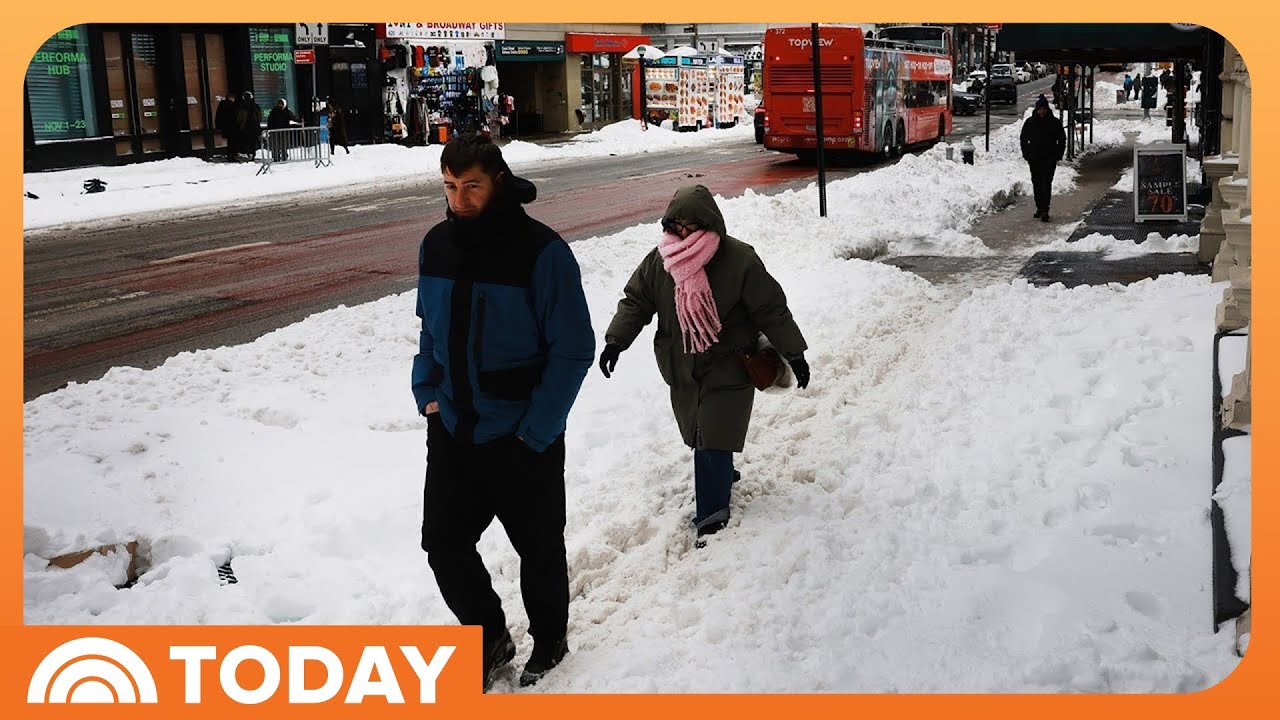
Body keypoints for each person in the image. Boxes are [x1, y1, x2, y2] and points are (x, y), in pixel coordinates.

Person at [412, 133, 594, 692]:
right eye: (449, 187)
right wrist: (427, 392)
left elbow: (573, 350)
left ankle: (550, 639)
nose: (459, 199)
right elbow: (429, 331)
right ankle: (489, 636)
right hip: (455, 430)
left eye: (471, 186)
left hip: (521, 434)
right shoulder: (436, 246)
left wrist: (537, 432)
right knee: (443, 544)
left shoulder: (542, 252)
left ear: (499, 182)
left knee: (538, 549)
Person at [599, 185, 810, 546]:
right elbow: (636, 301)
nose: (683, 233)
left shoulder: (739, 259)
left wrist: (794, 353)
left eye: (691, 225)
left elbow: (770, 308)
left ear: (710, 223)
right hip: (681, 364)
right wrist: (616, 340)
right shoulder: (660, 261)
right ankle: (722, 473)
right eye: (677, 225)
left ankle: (712, 517)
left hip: (729, 362)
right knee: (702, 432)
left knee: (711, 434)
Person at [1020, 95, 1066, 223]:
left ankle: (1045, 209)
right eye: (1040, 109)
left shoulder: (1054, 123)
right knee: (1037, 183)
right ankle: (1039, 207)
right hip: (1034, 158)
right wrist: (1026, 154)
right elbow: (1023, 139)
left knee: (1046, 183)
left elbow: (1061, 139)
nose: (1042, 111)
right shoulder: (1030, 123)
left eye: (1044, 109)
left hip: (1049, 158)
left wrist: (1058, 154)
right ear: (1037, 109)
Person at [235, 91, 263, 160]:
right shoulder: (255, 106)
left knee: (246, 141)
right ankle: (252, 153)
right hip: (254, 126)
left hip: (245, 126)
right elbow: (260, 116)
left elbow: (239, 117)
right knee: (253, 141)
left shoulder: (242, 106)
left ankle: (249, 153)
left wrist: (240, 124)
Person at [215, 92, 238, 162]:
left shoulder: (222, 105)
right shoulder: (232, 106)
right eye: (233, 98)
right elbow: (235, 117)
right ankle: (232, 156)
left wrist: (219, 126)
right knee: (233, 142)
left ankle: (230, 156)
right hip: (232, 126)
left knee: (230, 142)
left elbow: (218, 116)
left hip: (225, 127)